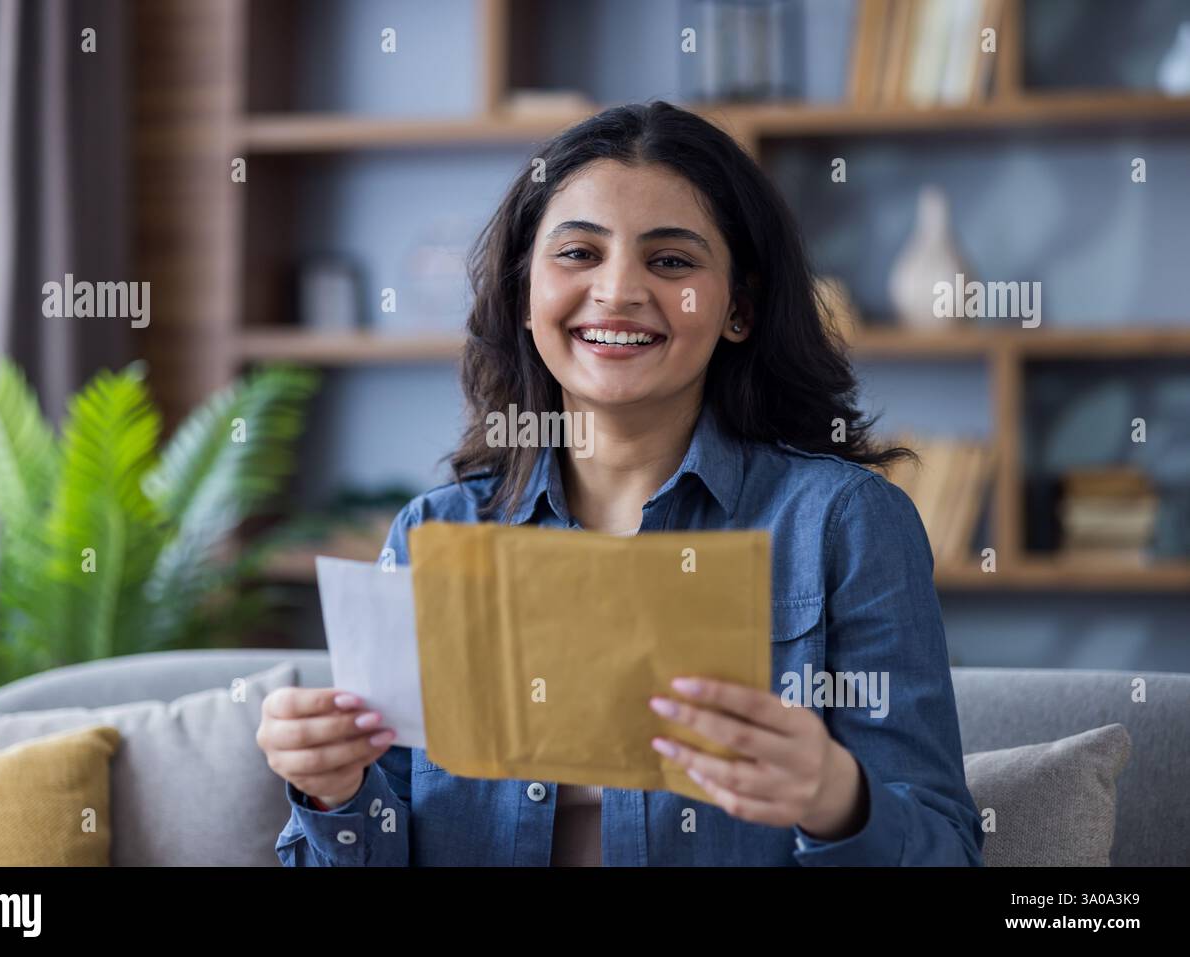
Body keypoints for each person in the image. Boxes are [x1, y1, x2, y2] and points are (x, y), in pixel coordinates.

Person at [257, 100, 985, 866]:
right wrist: (333, 793)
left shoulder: (846, 525)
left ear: (738, 308)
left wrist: (835, 796)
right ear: (524, 294)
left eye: (671, 261)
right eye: (578, 253)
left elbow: (947, 850)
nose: (618, 291)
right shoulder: (434, 536)